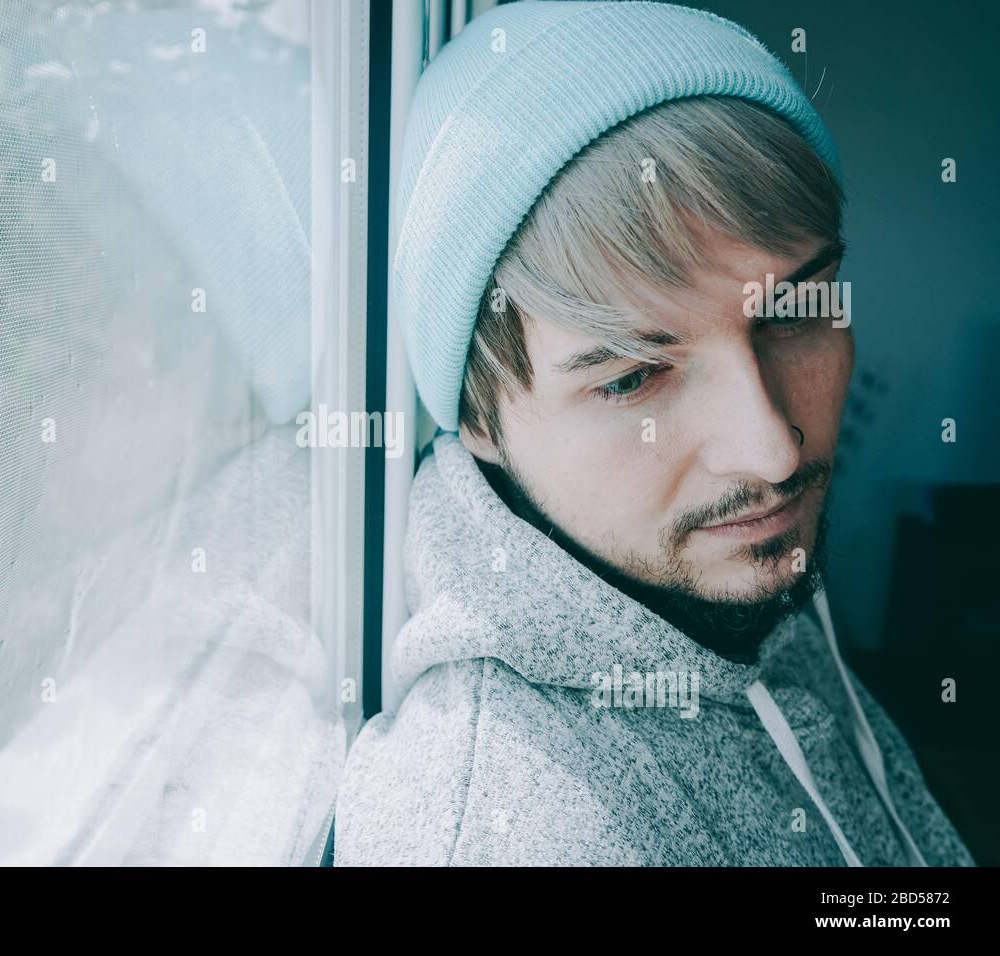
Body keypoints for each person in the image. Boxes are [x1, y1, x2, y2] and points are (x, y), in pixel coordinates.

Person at [332, 0, 974, 866]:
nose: (773, 452)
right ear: (481, 419)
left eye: (794, 311)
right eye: (632, 375)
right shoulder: (521, 830)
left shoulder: (716, 574)